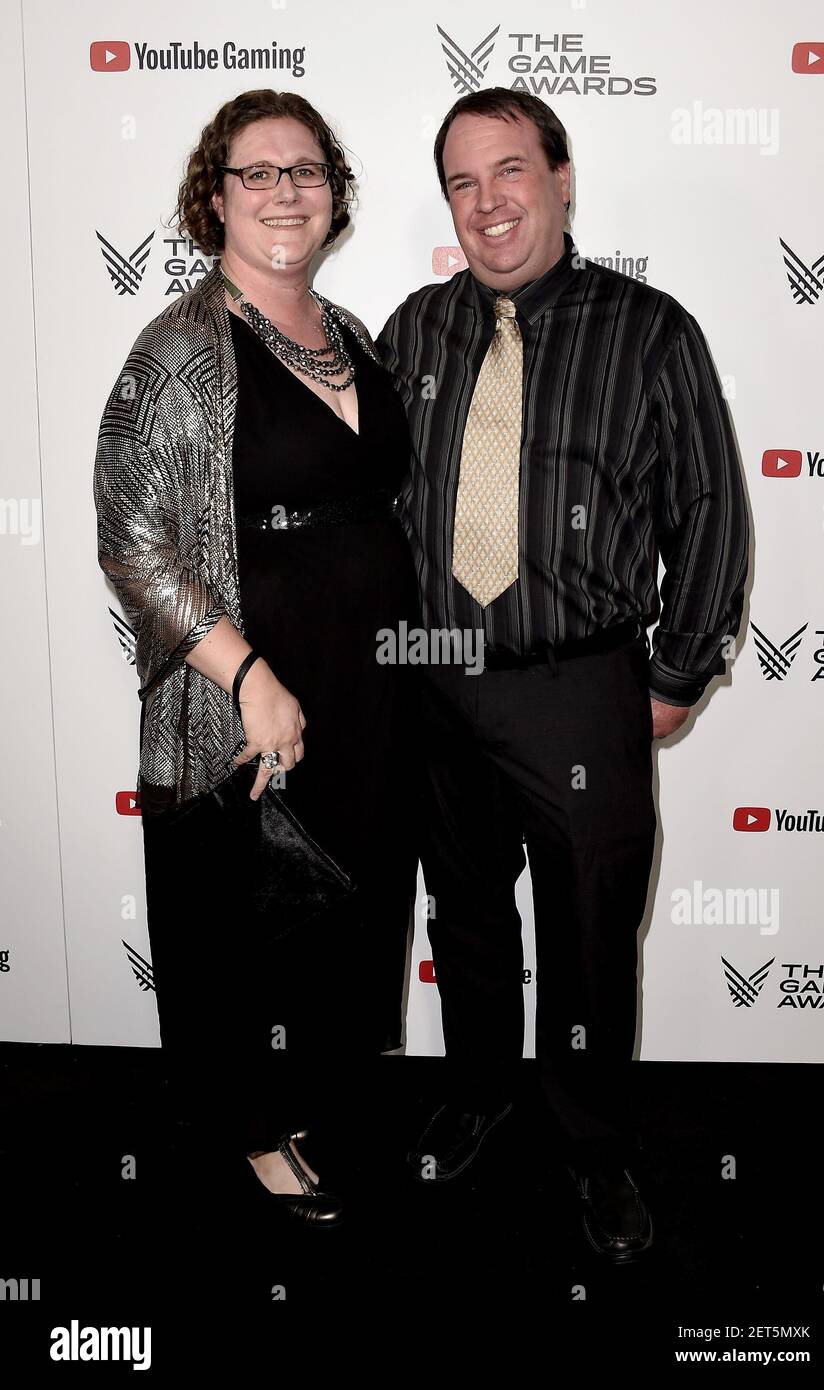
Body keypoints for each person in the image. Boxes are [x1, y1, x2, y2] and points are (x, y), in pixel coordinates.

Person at [375, 88, 749, 1263]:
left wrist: (677, 672)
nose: (486, 204)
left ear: (561, 176)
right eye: (461, 182)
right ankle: (481, 1093)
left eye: (509, 172)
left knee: (589, 937)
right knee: (468, 918)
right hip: (436, 677)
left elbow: (707, 510)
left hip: (578, 679)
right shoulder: (413, 330)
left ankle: (591, 1145)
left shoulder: (649, 329)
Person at [93, 88, 420, 1227]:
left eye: (306, 171)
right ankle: (248, 1128)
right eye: (258, 172)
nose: (285, 190)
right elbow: (132, 538)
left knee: (342, 905)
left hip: (369, 683)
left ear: (333, 195)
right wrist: (246, 672)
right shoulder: (180, 348)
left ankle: (317, 1096)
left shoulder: (357, 335)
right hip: (246, 688)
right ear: (215, 197)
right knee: (242, 915)